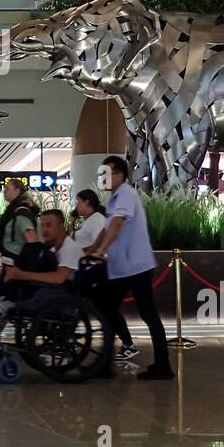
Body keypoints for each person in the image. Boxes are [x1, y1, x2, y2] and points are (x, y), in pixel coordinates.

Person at [0, 208, 78, 373]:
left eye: (49, 225)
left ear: (61, 225)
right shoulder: (51, 250)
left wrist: (22, 275)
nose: (44, 230)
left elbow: (59, 278)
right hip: (45, 295)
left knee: (1, 307)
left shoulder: (69, 248)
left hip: (57, 299)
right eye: (42, 226)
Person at [86, 155, 174, 380]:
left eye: (105, 173)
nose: (102, 177)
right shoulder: (115, 198)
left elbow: (116, 225)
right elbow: (107, 230)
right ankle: (105, 365)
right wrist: (90, 250)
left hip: (136, 268)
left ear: (119, 175)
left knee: (147, 314)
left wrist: (100, 251)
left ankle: (163, 366)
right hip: (121, 268)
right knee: (107, 309)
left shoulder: (126, 194)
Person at [73, 189, 138, 361]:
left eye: (78, 201)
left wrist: (88, 253)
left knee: (107, 308)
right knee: (103, 307)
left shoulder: (98, 220)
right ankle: (124, 344)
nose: (76, 205)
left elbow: (100, 244)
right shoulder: (90, 221)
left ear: (88, 202)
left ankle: (127, 344)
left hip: (100, 271)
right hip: (93, 271)